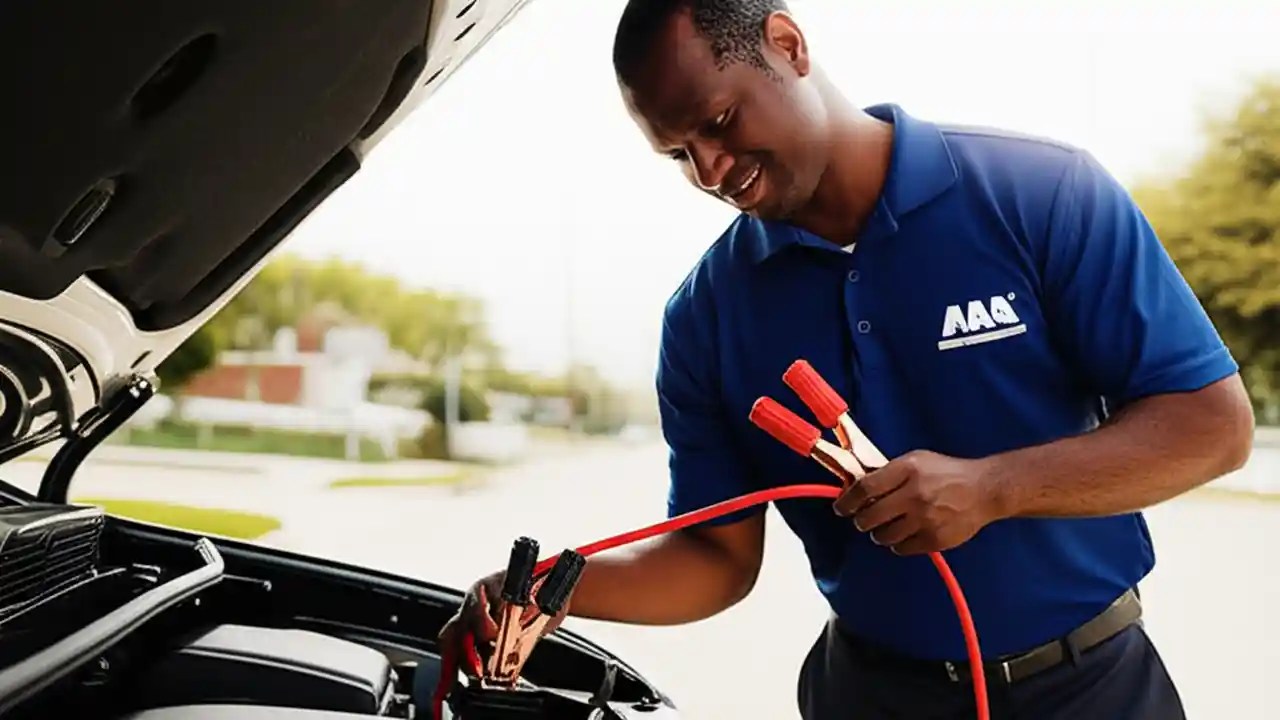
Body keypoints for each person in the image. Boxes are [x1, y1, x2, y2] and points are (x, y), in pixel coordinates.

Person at [438, 1, 1257, 718]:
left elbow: (1212, 427)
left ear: (788, 46)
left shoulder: (1042, 194)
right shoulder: (705, 317)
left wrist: (993, 488)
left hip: (1091, 689)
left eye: (717, 123)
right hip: (867, 696)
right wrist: (553, 588)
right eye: (678, 154)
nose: (710, 172)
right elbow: (715, 559)